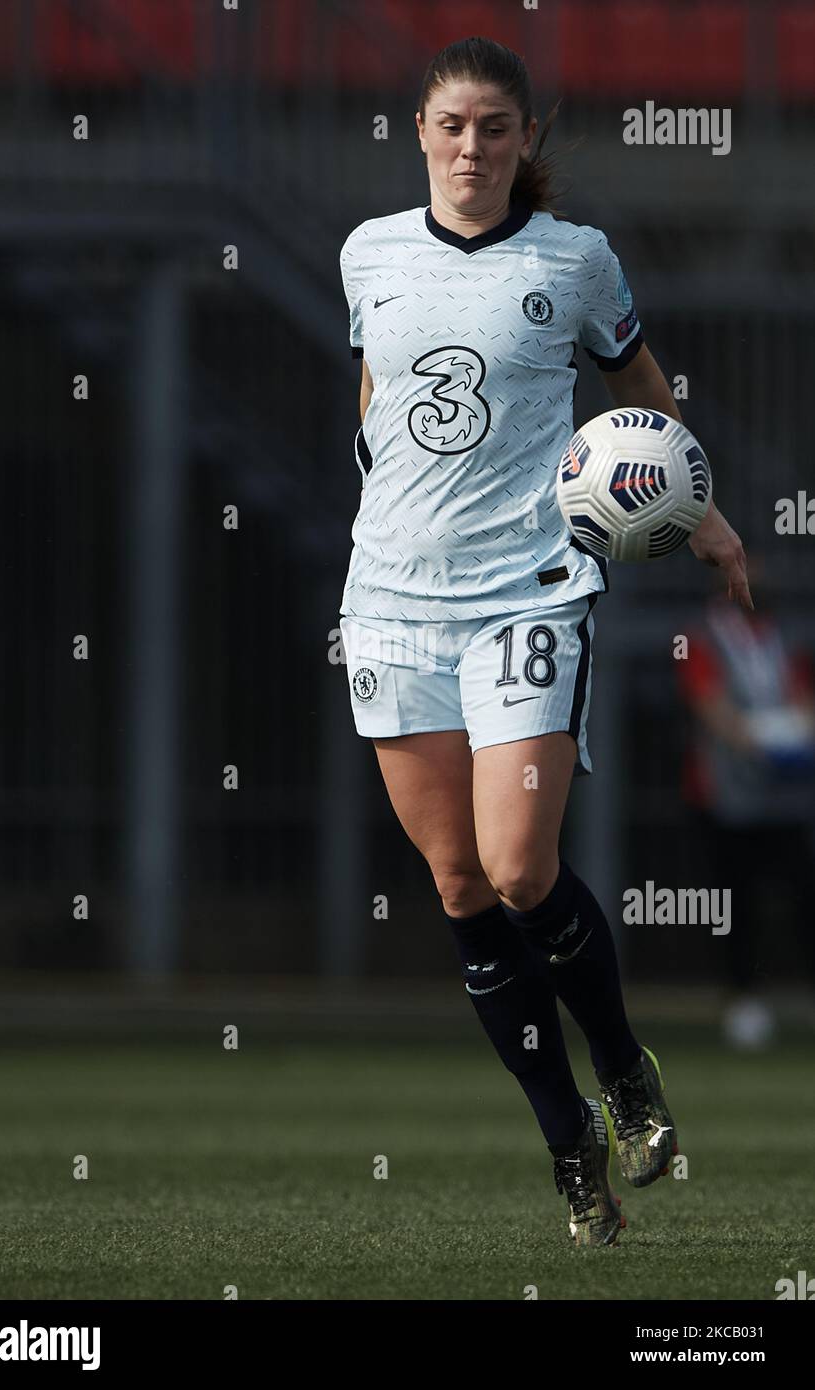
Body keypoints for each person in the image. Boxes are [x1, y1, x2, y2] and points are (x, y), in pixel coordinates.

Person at [337, 36, 751, 1246]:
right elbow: (372, 399)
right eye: (452, 127)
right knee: (459, 884)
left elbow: (644, 397)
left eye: (495, 131)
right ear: (419, 131)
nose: (472, 148)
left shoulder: (573, 261)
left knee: (519, 867)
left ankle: (622, 1069)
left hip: (525, 588)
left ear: (525, 145)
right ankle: (567, 1136)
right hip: (391, 601)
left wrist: (704, 510)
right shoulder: (368, 254)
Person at [678, 554, 815, 1049]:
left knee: (803, 894)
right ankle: (743, 1000)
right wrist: (768, 737)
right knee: (734, 904)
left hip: (783, 794)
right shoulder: (699, 637)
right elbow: (712, 708)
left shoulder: (784, 635)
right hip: (723, 795)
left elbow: (803, 697)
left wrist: (795, 734)